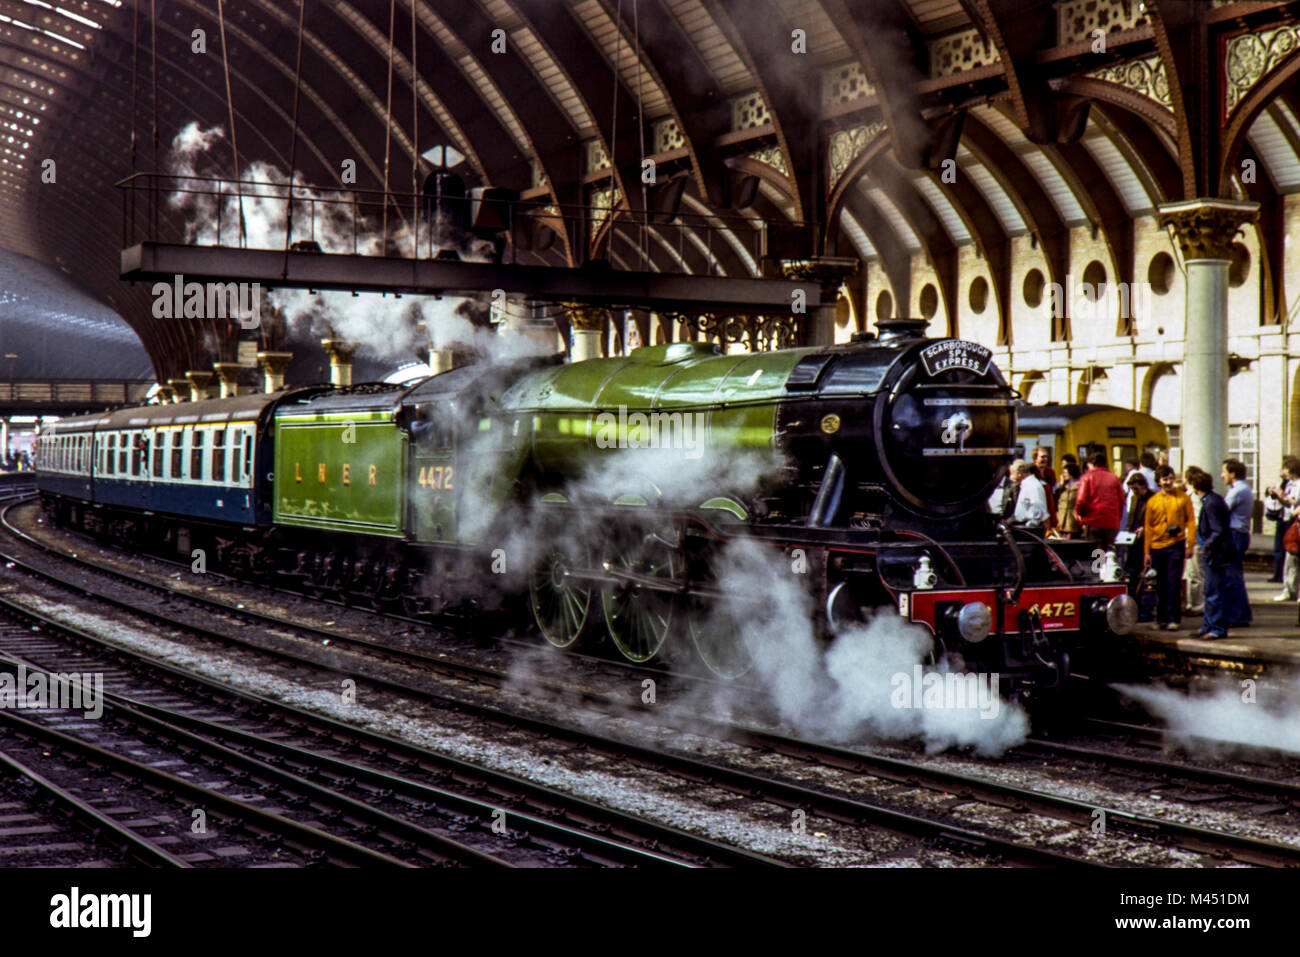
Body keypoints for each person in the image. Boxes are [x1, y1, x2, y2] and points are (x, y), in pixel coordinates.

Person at [1187, 469, 1242, 640]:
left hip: (1216, 554)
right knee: (1209, 589)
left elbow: (1217, 531)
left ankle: (1217, 627)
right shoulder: (1213, 499)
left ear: (1195, 487)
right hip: (1216, 552)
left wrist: (1206, 547)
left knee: (1214, 590)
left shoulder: (1210, 503)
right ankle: (1209, 624)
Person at [1144, 464, 1195, 631]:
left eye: (1171, 479)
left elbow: (1191, 521)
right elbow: (1148, 527)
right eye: (1165, 479)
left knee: (1173, 583)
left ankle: (1174, 619)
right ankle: (1161, 619)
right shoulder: (1152, 501)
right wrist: (1146, 552)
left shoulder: (1183, 498)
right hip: (1157, 547)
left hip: (1176, 545)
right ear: (1158, 481)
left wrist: (1190, 544)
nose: (1168, 482)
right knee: (1159, 584)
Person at [1221, 459, 1254, 626]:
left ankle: (1237, 616)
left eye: (1224, 472)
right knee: (1235, 575)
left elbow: (1223, 510)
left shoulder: (1237, 491)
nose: (1222, 475)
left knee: (1232, 576)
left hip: (1235, 535)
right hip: (1240, 534)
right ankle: (1240, 614)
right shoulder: (1243, 488)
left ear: (1232, 474)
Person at [1266, 457, 1300, 596]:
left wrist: (1282, 495)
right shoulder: (1292, 484)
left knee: (1294, 557)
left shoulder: (1298, 484)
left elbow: (1294, 502)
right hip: (1295, 522)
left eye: (1285, 467)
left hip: (1296, 521)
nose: (1283, 470)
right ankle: (1290, 590)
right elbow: (1289, 503)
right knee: (1291, 557)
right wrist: (1280, 497)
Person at [1075, 451, 1123, 548]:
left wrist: (1082, 517)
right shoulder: (1114, 478)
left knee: (1097, 555)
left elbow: (1081, 501)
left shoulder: (1086, 477)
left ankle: (1098, 563)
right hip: (1112, 523)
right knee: (1109, 553)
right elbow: (1121, 502)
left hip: (1093, 522)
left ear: (1090, 464)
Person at [1122, 472, 1153, 600]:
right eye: (1132, 489)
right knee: (1132, 572)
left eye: (1136, 489)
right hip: (1133, 539)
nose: (1134, 492)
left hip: (1145, 540)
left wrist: (1145, 529)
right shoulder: (1134, 498)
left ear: (1144, 486)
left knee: (1144, 574)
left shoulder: (1152, 498)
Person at [1010, 460, 1048, 529]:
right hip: (1022, 526)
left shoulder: (1032, 486)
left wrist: (1030, 525)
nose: (1010, 476)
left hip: (1029, 528)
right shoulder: (1025, 485)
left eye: (1012, 473)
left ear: (1019, 474)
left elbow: (1038, 507)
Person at [1054, 462, 1083, 538]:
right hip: (1061, 521)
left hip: (1072, 522)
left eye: (1065, 472)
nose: (1063, 474)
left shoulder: (1080, 486)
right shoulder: (1064, 487)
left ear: (1071, 473)